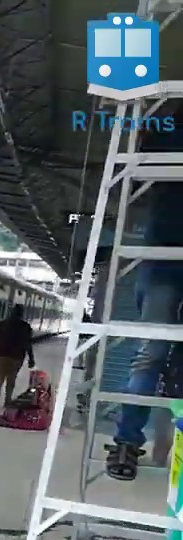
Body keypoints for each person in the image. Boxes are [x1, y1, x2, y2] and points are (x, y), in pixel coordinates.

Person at [105, 107, 183, 482]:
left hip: (160, 260)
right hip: (164, 259)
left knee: (148, 358)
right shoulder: (166, 127)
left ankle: (126, 442)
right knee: (156, 360)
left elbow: (136, 177)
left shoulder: (163, 125)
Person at [0, 304, 36, 406]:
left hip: (0, 354)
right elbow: (28, 344)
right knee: (11, 378)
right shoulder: (26, 327)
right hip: (16, 356)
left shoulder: (2, 324)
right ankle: (7, 399)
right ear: (22, 314)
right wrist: (31, 359)